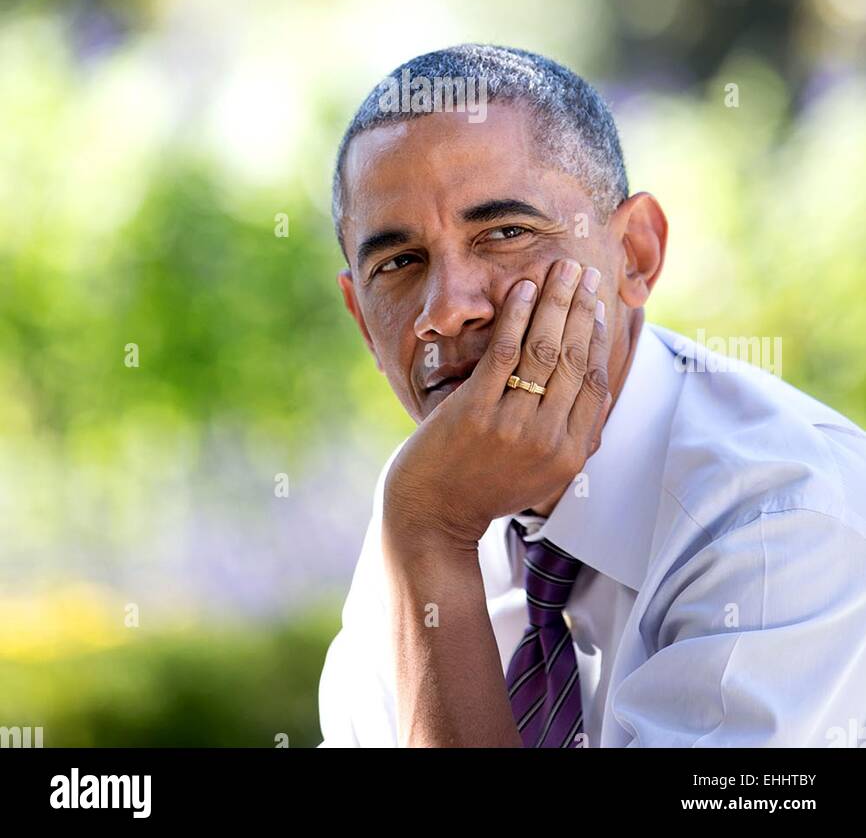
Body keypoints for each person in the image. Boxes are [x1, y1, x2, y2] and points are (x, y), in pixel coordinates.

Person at [316, 44, 866, 748]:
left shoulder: (784, 523)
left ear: (634, 255)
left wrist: (429, 536)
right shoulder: (428, 495)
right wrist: (428, 534)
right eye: (397, 262)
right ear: (362, 317)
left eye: (506, 233)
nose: (447, 310)